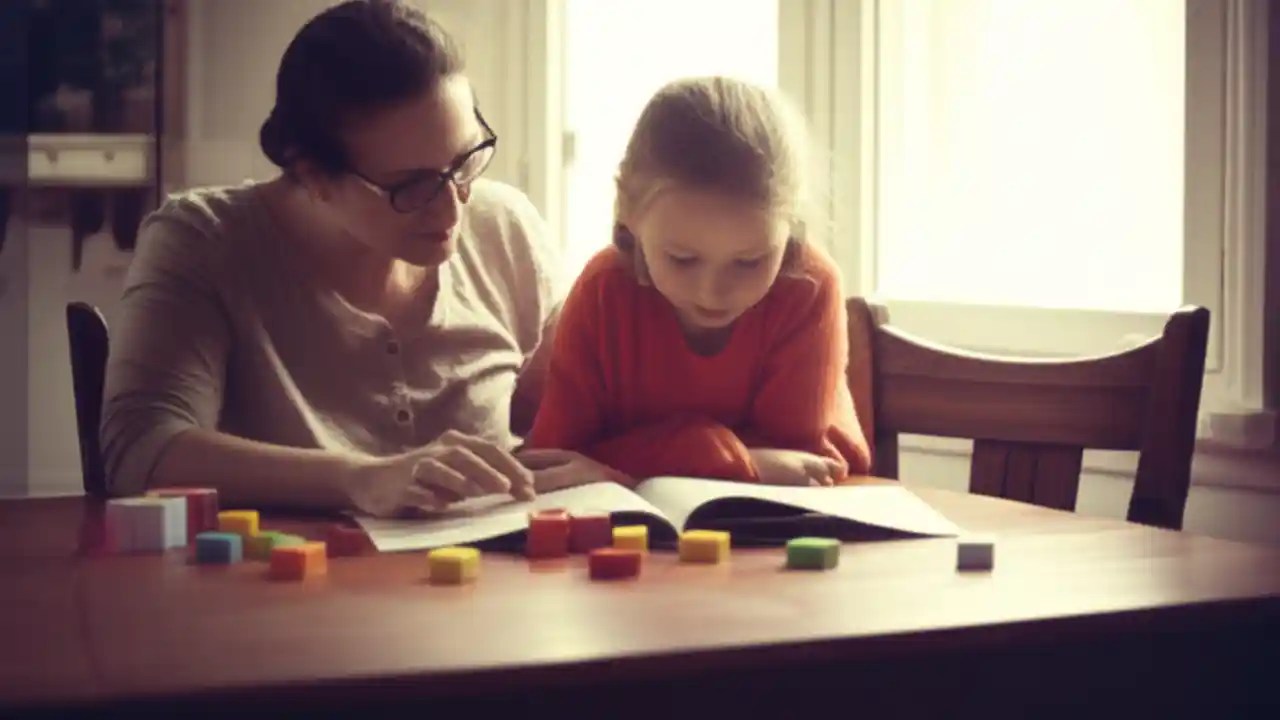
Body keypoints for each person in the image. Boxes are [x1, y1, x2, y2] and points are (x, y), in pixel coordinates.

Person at [101, 0, 615, 518]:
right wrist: (358, 478)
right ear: (314, 176)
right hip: (282, 586)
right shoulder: (204, 242)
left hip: (495, 579)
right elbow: (141, 450)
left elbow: (571, 422)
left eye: (465, 160)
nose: (453, 202)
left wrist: (603, 467)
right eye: (411, 185)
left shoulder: (505, 228)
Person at [526, 76, 873, 487]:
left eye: (749, 262)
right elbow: (556, 457)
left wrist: (620, 464)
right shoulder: (603, 290)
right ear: (628, 213)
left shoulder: (809, 286)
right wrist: (738, 457)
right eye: (683, 259)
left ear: (792, 224)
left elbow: (795, 458)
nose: (713, 291)